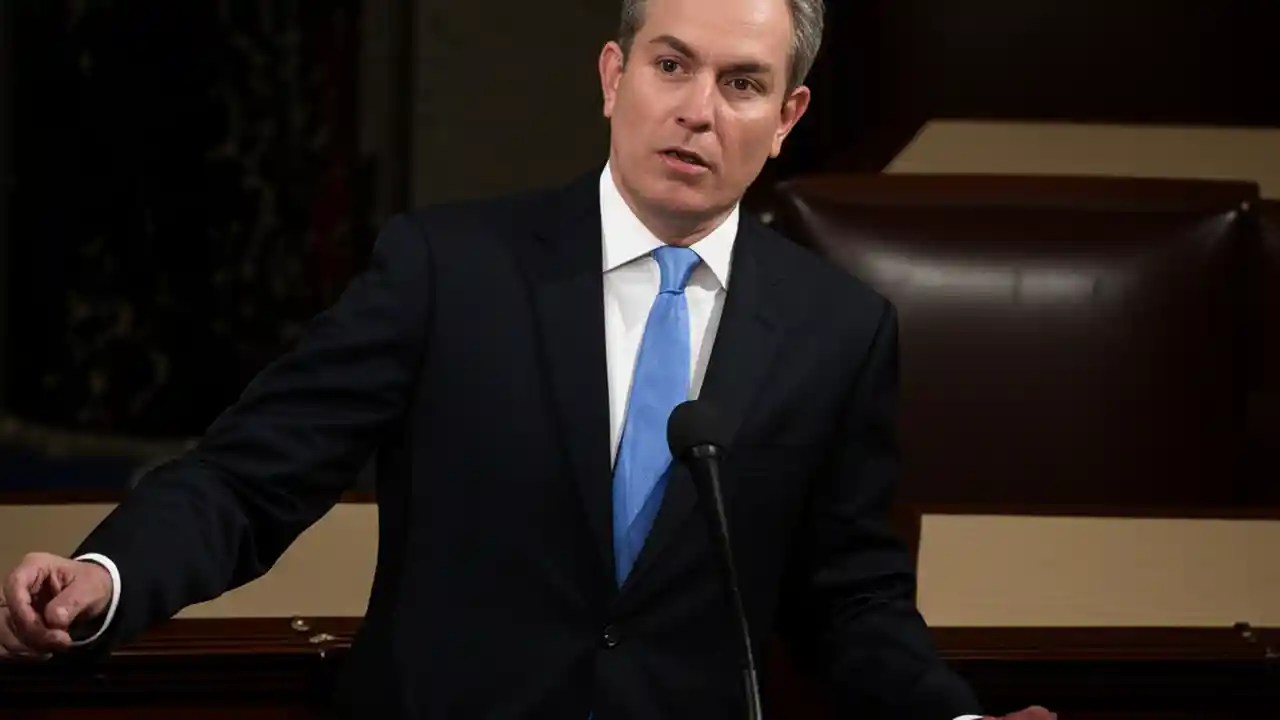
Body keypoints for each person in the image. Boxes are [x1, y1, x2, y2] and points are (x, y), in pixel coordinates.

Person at [1, 0, 1055, 718]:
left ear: (785, 119)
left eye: (740, 84)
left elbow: (847, 597)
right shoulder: (445, 269)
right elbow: (248, 477)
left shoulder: (837, 328)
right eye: (670, 65)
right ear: (613, 75)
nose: (694, 109)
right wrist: (106, 575)